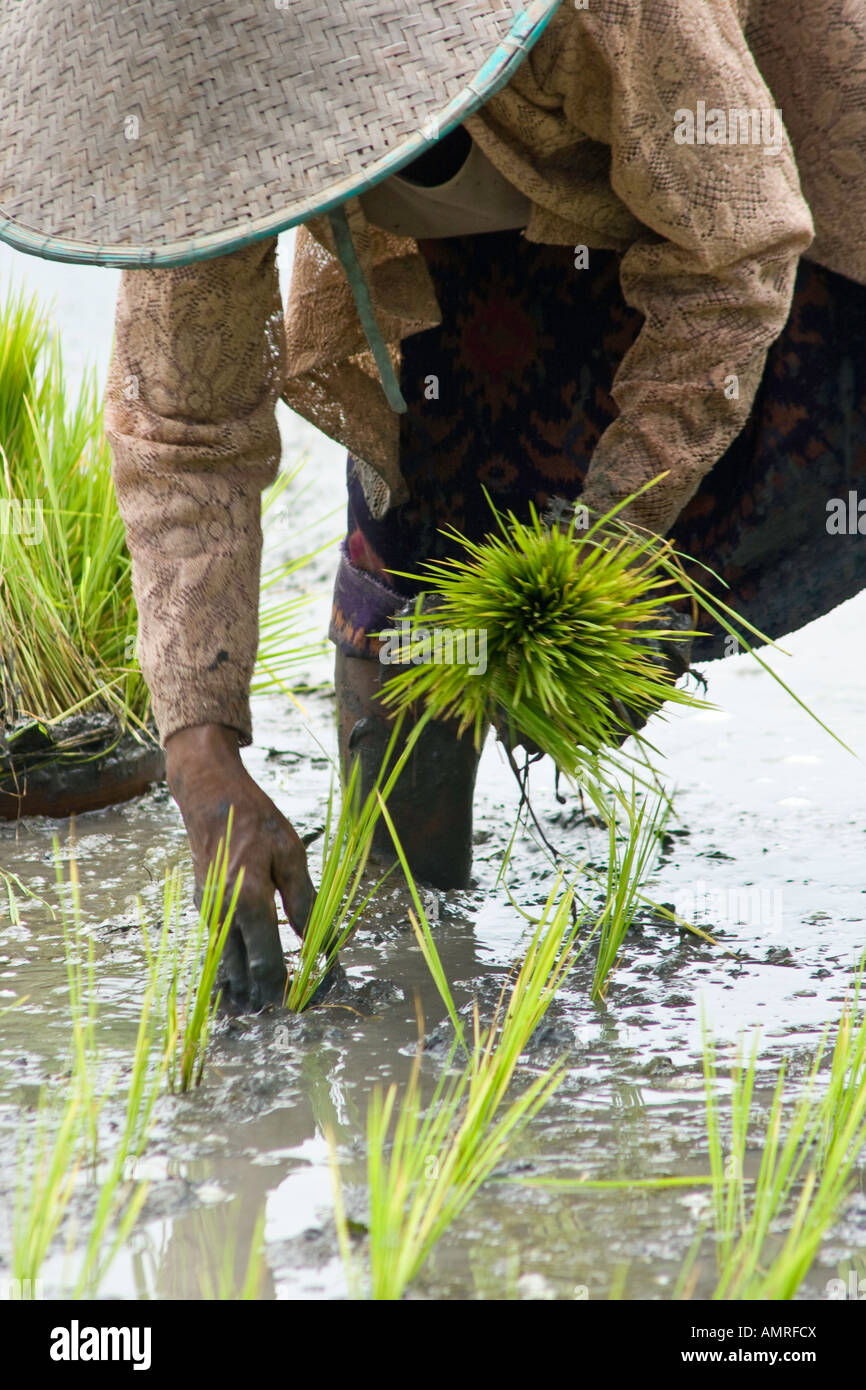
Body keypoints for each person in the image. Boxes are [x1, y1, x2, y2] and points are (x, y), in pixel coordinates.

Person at [1, 1, 864, 1011]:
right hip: (450, 295)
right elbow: (187, 421)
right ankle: (405, 995)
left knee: (686, 546)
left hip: (740, 229)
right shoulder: (208, 87)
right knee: (404, 635)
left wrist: (602, 565)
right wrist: (200, 756)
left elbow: (733, 251)